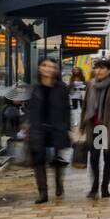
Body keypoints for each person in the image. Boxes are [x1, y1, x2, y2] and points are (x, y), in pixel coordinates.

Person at [81, 58, 110, 198]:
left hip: (107, 128)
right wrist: (82, 125)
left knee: (108, 158)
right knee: (94, 158)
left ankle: (105, 187)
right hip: (93, 127)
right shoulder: (90, 84)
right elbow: (85, 106)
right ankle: (94, 186)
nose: (98, 71)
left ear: (109, 70)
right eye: (97, 68)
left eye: (102, 68)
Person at [27, 57, 70, 204]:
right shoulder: (34, 88)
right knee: (38, 161)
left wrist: (67, 128)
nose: (48, 69)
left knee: (57, 160)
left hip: (57, 129)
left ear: (55, 70)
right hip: (38, 130)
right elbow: (31, 110)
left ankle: (58, 183)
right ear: (39, 68)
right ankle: (42, 193)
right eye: (45, 66)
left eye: (51, 66)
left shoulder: (62, 88)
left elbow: (67, 110)